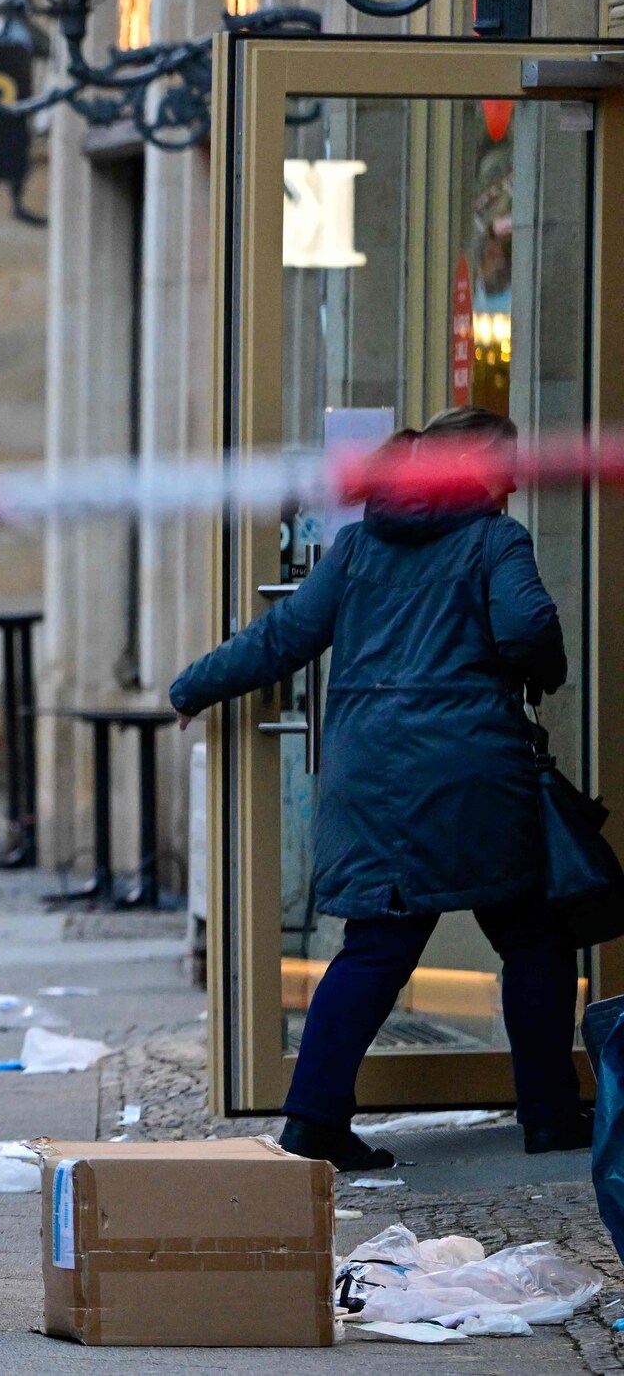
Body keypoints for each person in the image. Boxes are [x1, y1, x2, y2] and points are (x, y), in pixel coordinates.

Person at [168, 405, 583, 1171]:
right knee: (535, 938)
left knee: (374, 950)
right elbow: (527, 627)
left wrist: (194, 684)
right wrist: (543, 672)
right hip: (470, 774)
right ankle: (551, 1114)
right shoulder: (496, 538)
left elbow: (283, 636)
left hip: (371, 780)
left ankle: (314, 1119)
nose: (517, 478)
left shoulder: (358, 545)